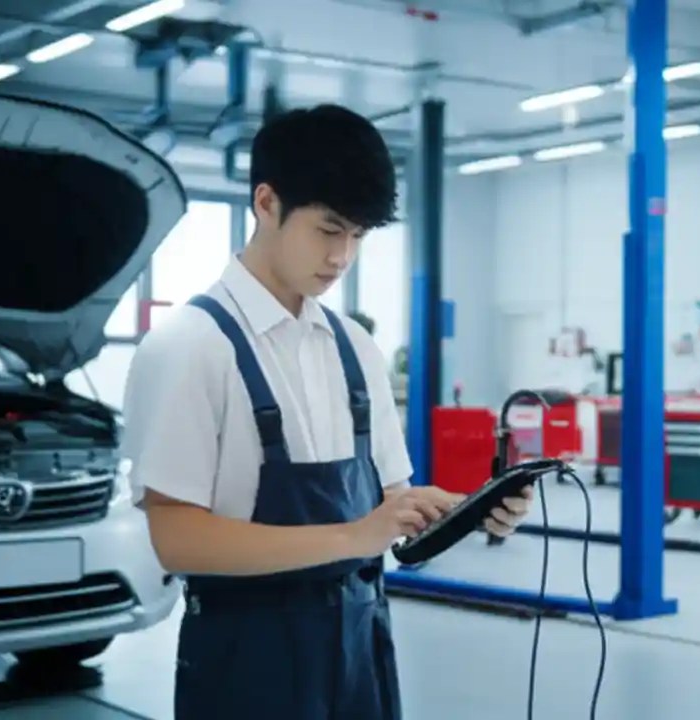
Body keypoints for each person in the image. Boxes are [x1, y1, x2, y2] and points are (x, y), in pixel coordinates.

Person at [120, 104, 532, 720]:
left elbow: (392, 500)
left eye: (359, 236)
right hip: (247, 663)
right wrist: (353, 537)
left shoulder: (354, 349)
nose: (342, 256)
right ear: (266, 203)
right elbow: (176, 539)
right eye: (329, 229)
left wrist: (465, 513)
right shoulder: (188, 346)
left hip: (361, 648)